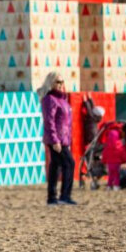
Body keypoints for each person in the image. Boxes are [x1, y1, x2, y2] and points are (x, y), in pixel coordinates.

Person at [40, 71, 76, 206]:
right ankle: (64, 196)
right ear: (51, 83)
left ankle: (52, 198)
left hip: (64, 139)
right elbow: (49, 121)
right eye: (57, 82)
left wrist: (67, 140)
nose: (61, 85)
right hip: (56, 139)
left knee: (55, 166)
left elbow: (66, 123)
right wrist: (55, 140)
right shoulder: (50, 99)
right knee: (69, 163)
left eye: (62, 82)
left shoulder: (63, 100)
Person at [100, 121, 126, 191]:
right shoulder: (120, 146)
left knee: (110, 176)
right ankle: (116, 186)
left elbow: (104, 155)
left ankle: (109, 186)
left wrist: (104, 161)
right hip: (117, 163)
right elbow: (123, 154)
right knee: (116, 175)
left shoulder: (107, 147)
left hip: (109, 163)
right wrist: (125, 161)